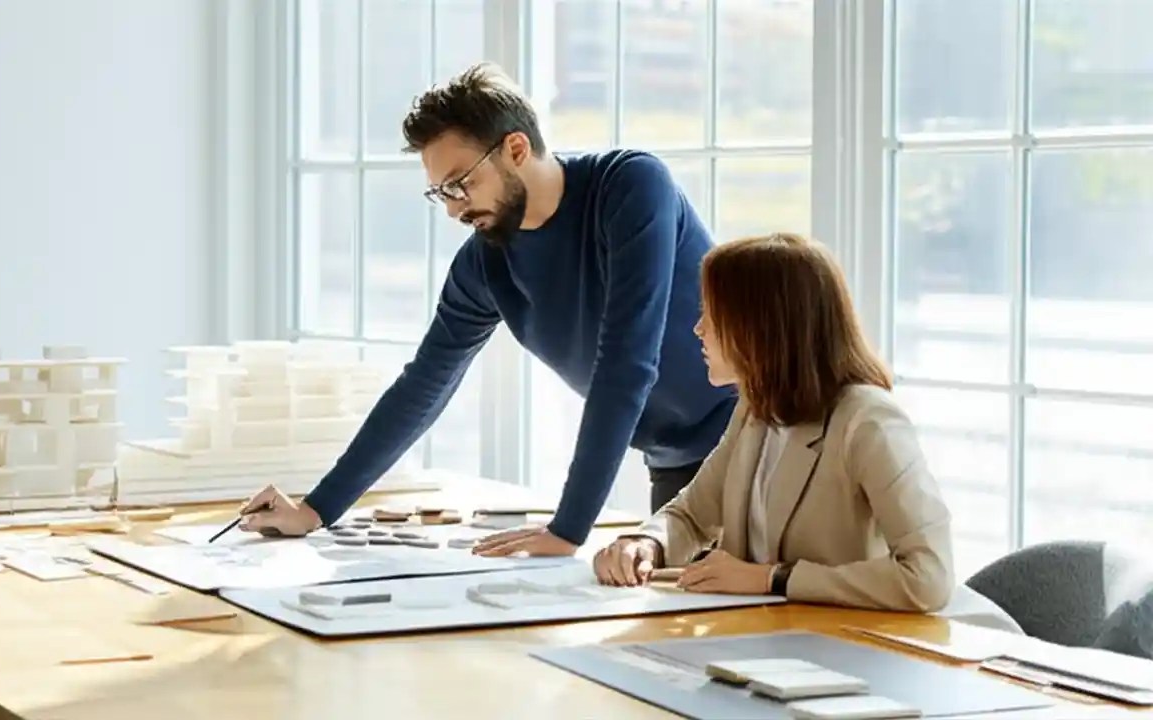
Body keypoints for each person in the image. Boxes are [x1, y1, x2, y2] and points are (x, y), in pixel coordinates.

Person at [238, 62, 738, 556]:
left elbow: (627, 362)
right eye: (441, 193)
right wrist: (317, 509)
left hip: (759, 438)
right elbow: (424, 384)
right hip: (674, 466)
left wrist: (568, 529)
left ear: (515, 149)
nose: (454, 209)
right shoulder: (485, 262)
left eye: (460, 183)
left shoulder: (630, 187)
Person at [592, 233, 955, 612]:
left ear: (762, 326)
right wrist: (646, 544)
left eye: (713, 315)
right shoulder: (756, 408)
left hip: (841, 639)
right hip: (762, 632)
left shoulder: (869, 422)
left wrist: (773, 579)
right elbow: (692, 515)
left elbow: (929, 576)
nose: (699, 329)